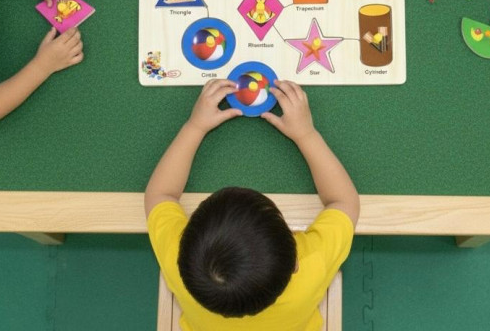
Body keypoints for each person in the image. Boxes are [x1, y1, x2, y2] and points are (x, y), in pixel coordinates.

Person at [145, 79, 360, 330]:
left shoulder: (175, 258)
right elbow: (345, 201)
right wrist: (306, 134)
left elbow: (159, 194)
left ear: (182, 254)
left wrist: (195, 125)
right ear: (295, 264)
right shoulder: (312, 265)